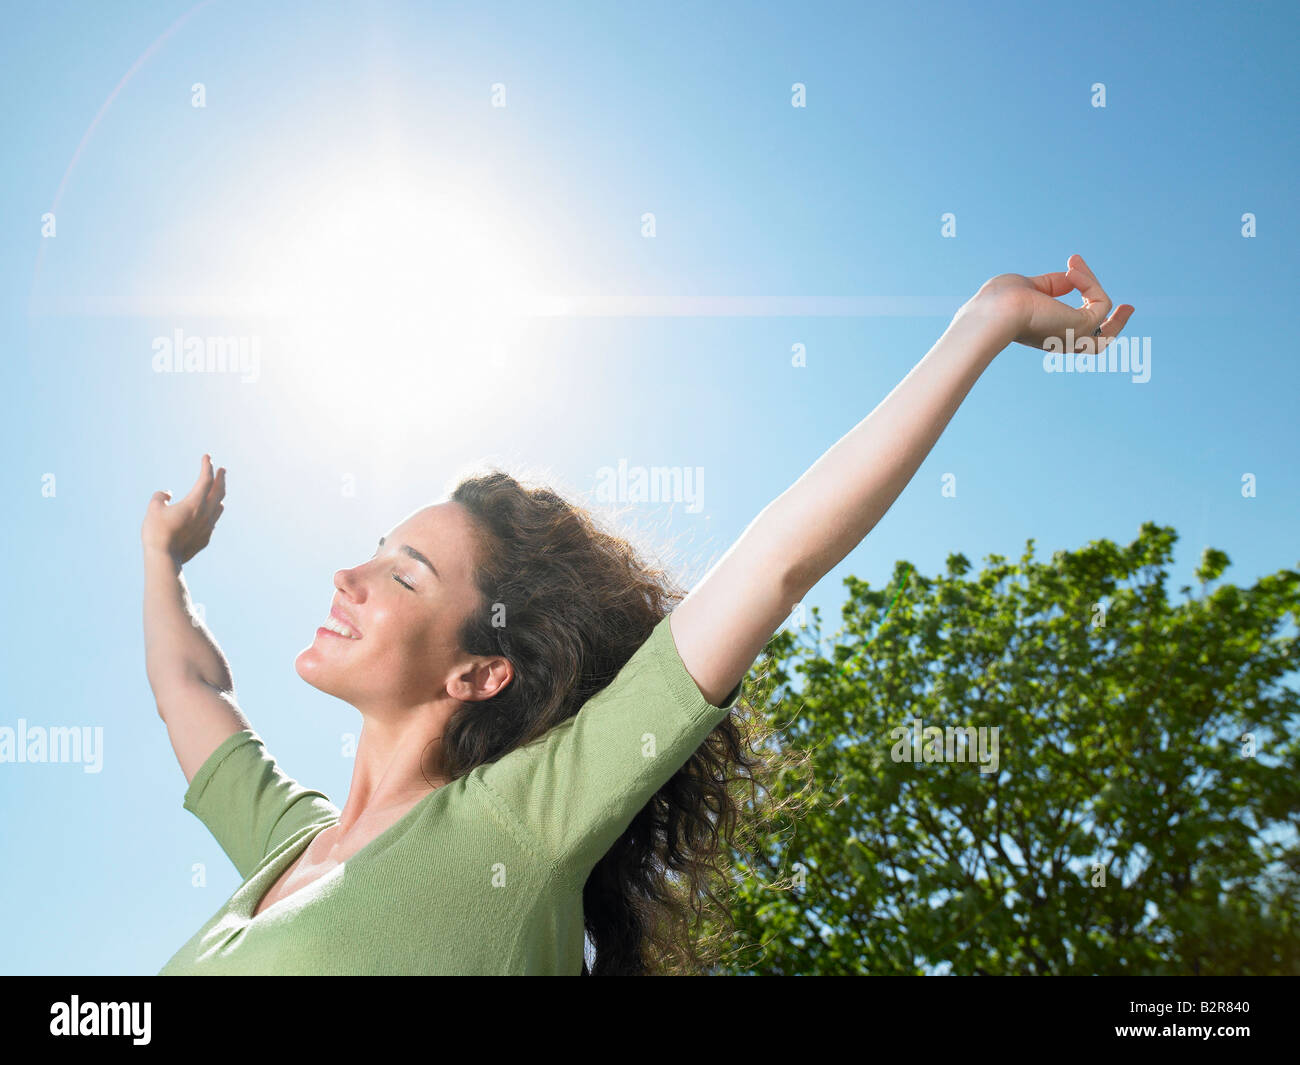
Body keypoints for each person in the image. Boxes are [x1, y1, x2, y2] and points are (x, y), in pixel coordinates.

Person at [146, 255, 1133, 975]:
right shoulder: (285, 840)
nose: (346, 578)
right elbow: (186, 682)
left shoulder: (518, 825)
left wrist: (988, 320)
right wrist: (165, 557)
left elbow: (776, 564)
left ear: (479, 672)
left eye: (403, 577)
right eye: (372, 552)